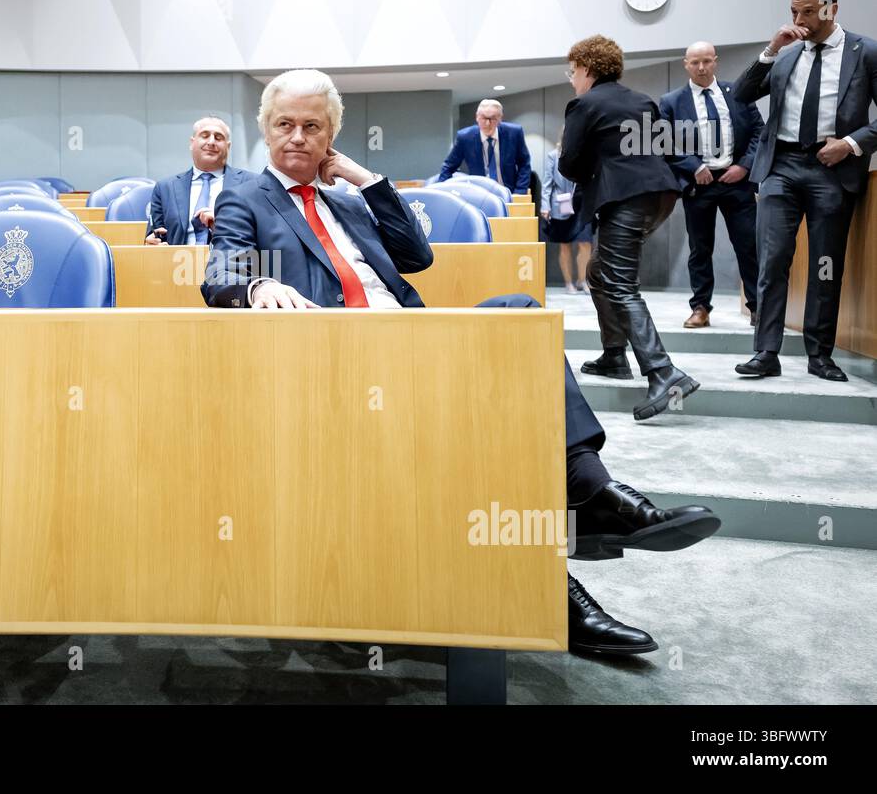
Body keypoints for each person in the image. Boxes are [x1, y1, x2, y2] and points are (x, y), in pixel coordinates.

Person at [202, 68, 720, 656]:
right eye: (284, 125)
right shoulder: (245, 195)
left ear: (331, 137)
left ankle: (588, 487)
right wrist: (256, 285)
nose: (297, 137)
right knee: (476, 446)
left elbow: (416, 257)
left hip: (414, 341)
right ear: (266, 130)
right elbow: (221, 271)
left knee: (521, 313)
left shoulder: (345, 198)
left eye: (312, 126)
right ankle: (564, 576)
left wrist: (363, 178)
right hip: (340, 363)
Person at [733, 0, 877, 383]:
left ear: (831, 9)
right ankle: (765, 352)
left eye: (809, 11)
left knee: (825, 266)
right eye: (795, 11)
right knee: (773, 259)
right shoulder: (787, 54)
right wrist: (771, 49)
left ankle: (820, 354)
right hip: (780, 167)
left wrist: (850, 144)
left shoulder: (864, 52)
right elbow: (742, 94)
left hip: (832, 171)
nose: (800, 19)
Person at [559, 35, 698, 422]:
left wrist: (589, 162)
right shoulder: (642, 100)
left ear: (587, 69)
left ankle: (663, 372)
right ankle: (614, 355)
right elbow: (662, 149)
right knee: (598, 273)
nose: (572, 80)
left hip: (625, 199)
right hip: (659, 198)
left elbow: (569, 164)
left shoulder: (584, 104)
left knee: (619, 283)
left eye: (573, 72)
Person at [660, 42, 764, 330]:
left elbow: (759, 131)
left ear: (716, 62)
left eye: (707, 61)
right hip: (699, 185)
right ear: (686, 64)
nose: (702, 67)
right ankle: (701, 308)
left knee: (748, 246)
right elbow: (664, 140)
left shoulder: (739, 93)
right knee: (700, 249)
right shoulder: (671, 101)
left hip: (737, 181)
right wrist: (695, 167)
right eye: (695, 62)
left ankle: (757, 308)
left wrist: (743, 165)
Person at [145, 116, 255, 245]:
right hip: (178, 261)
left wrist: (220, 225)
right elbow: (153, 236)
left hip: (231, 260)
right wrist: (151, 243)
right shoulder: (165, 188)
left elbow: (261, 232)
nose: (211, 142)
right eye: (205, 136)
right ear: (192, 143)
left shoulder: (251, 184)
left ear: (228, 146)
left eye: (218, 137)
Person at [437, 98, 532, 194]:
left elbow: (524, 164)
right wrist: (442, 192)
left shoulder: (514, 133)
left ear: (500, 118)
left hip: (508, 192)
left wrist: (519, 192)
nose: (487, 123)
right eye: (484, 118)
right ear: (477, 117)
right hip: (479, 195)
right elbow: (448, 167)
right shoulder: (465, 137)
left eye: (493, 118)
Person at [541, 131, 593, 293]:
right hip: (562, 202)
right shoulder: (553, 156)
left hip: (583, 203)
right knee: (565, 245)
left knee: (586, 244)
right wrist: (545, 205)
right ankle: (568, 283)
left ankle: (582, 281)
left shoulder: (587, 154)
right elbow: (547, 183)